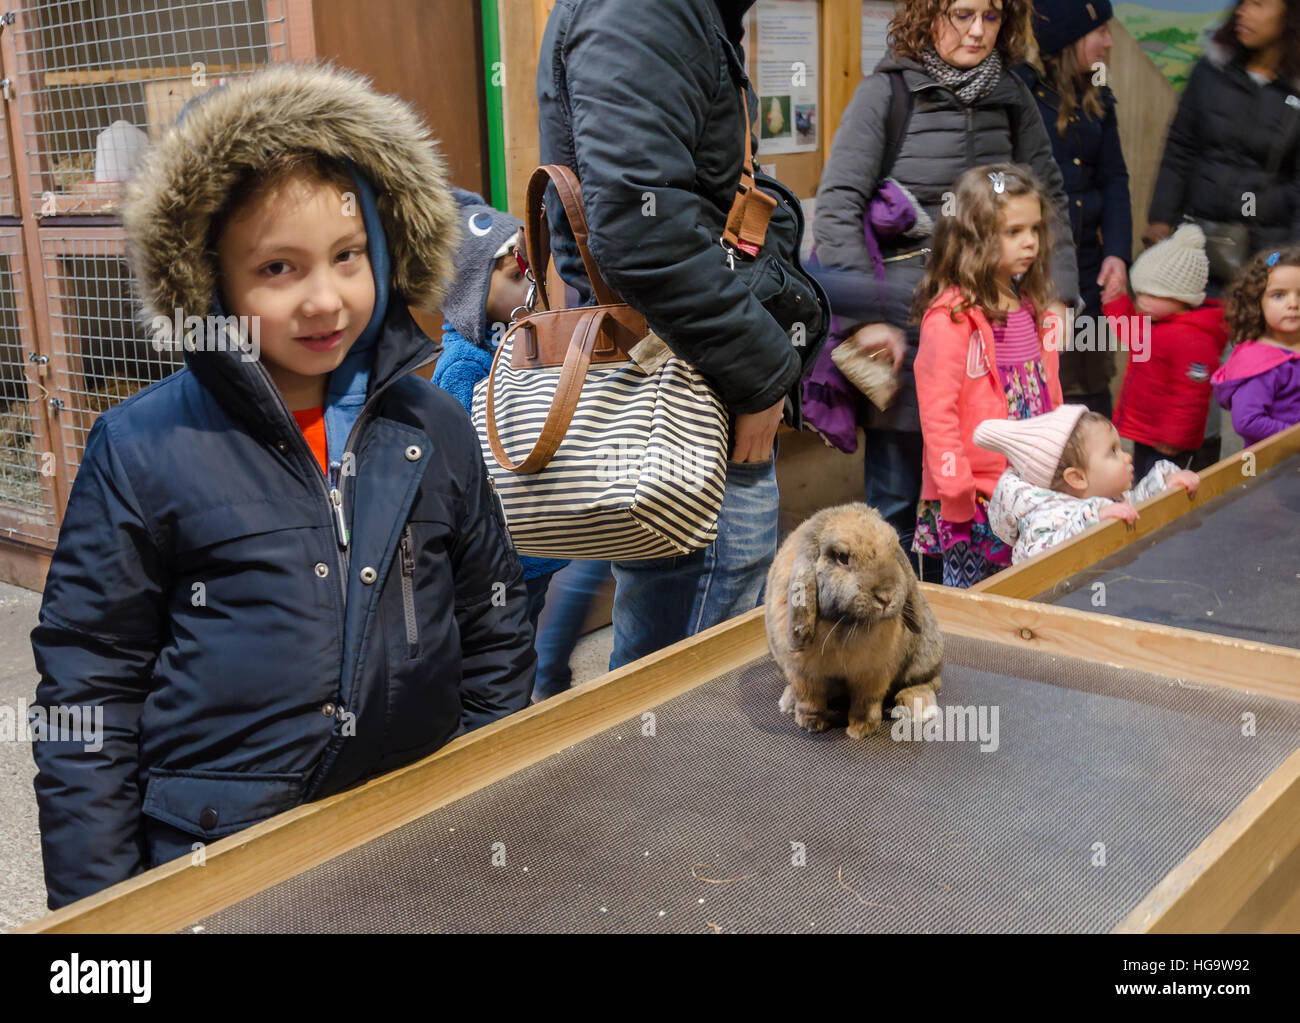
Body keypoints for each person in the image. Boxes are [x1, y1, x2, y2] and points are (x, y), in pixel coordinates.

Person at [29, 65, 535, 910]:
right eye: (277, 268)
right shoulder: (143, 448)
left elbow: (494, 618)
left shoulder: (435, 426)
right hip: (222, 860)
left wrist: (480, 778)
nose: (324, 297)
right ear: (208, 279)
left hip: (415, 835)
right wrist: (103, 909)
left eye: (347, 256)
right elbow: (90, 686)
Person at [536, 0, 829, 669]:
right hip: (692, 395)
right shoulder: (642, 8)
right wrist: (761, 376)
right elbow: (640, 234)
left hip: (697, 376)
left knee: (682, 659)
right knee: (689, 683)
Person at [811, 0, 1078, 577]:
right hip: (910, 327)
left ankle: (970, 632)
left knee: (990, 489)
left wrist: (1060, 295)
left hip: (1000, 328)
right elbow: (837, 206)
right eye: (961, 14)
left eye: (991, 16)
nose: (977, 31)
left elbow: (1049, 198)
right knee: (900, 500)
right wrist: (868, 318)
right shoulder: (888, 93)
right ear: (926, 14)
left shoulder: (1012, 97)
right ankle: (891, 642)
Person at [911, 165, 1065, 588]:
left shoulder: (1031, 306)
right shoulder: (950, 318)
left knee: (1028, 595)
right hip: (977, 499)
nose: (1030, 241)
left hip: (1031, 490)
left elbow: (1046, 395)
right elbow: (937, 415)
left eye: (1034, 228)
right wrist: (957, 491)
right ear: (974, 237)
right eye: (1013, 231)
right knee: (976, 609)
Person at [433, 189, 569, 637]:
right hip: (497, 560)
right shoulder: (464, 366)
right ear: (471, 296)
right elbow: (450, 476)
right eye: (519, 276)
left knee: (524, 636)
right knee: (505, 646)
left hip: (535, 550)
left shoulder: (526, 344)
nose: (535, 289)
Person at [1015, 0, 1131, 416]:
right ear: (1067, 35)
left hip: (1089, 273)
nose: (1108, 42)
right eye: (1098, 31)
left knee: (1091, 396)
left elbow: (1114, 178)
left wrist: (1117, 253)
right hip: (1034, 275)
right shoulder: (1023, 92)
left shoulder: (1098, 92)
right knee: (1041, 395)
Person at [1144, 0, 1300, 285]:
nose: (1242, 11)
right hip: (1197, 243)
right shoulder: (1212, 68)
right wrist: (1161, 220)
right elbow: (1180, 147)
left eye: (1258, 4)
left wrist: (1291, 260)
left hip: (1269, 256)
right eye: (1242, 2)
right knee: (1189, 326)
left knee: (1257, 323)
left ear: (1289, 15)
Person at [978, 405, 1201, 564]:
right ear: (1077, 478)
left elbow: (1133, 509)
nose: (1127, 457)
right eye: (1113, 452)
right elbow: (1037, 558)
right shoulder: (1044, 519)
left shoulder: (1107, 497)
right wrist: (1092, 517)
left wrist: (1166, 483)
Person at [1111, 225, 1229, 479]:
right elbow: (1132, 336)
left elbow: (1192, 397)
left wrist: (1174, 438)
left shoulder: (1194, 339)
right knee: (1144, 485)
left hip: (1169, 442)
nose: (1142, 301)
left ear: (1184, 296)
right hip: (1148, 432)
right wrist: (1116, 302)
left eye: (1154, 295)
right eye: (1139, 292)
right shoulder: (1160, 322)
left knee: (1161, 491)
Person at [1212, 246, 1300, 446]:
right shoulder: (1260, 363)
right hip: (1277, 469)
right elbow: (1247, 422)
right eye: (1279, 295)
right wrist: (1295, 436)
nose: (1293, 304)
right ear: (1256, 303)